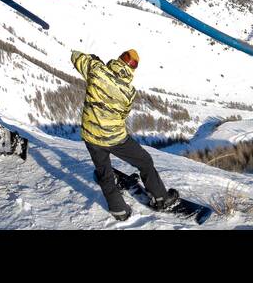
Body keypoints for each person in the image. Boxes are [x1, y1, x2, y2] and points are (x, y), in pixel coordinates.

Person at [71, 49, 178, 221]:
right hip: (115, 138)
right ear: (132, 69)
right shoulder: (129, 91)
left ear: (119, 58)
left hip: (91, 136)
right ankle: (161, 198)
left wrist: (94, 59)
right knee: (144, 161)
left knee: (104, 173)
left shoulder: (96, 70)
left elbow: (75, 56)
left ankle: (119, 210)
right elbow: (123, 115)